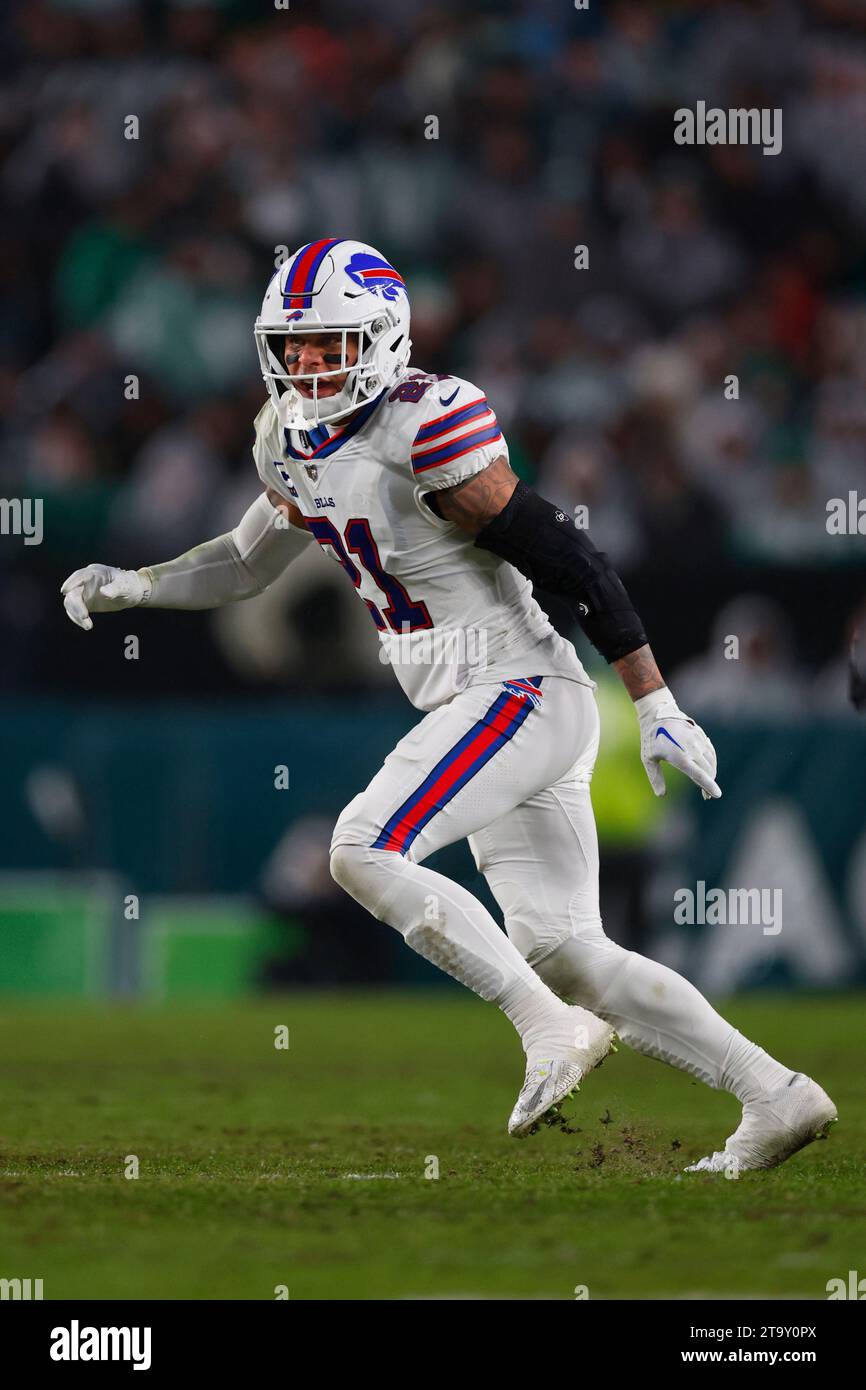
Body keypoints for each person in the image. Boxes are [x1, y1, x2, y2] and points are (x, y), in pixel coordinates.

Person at [61, 239, 837, 1168]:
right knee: (567, 951)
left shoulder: (427, 424)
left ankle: (548, 1031)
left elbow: (569, 556)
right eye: (294, 347)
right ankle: (777, 1095)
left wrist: (658, 699)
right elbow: (240, 563)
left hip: (518, 685)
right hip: (485, 697)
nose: (307, 365)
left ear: (383, 337)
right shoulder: (288, 434)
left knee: (360, 849)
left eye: (330, 344)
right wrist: (137, 586)